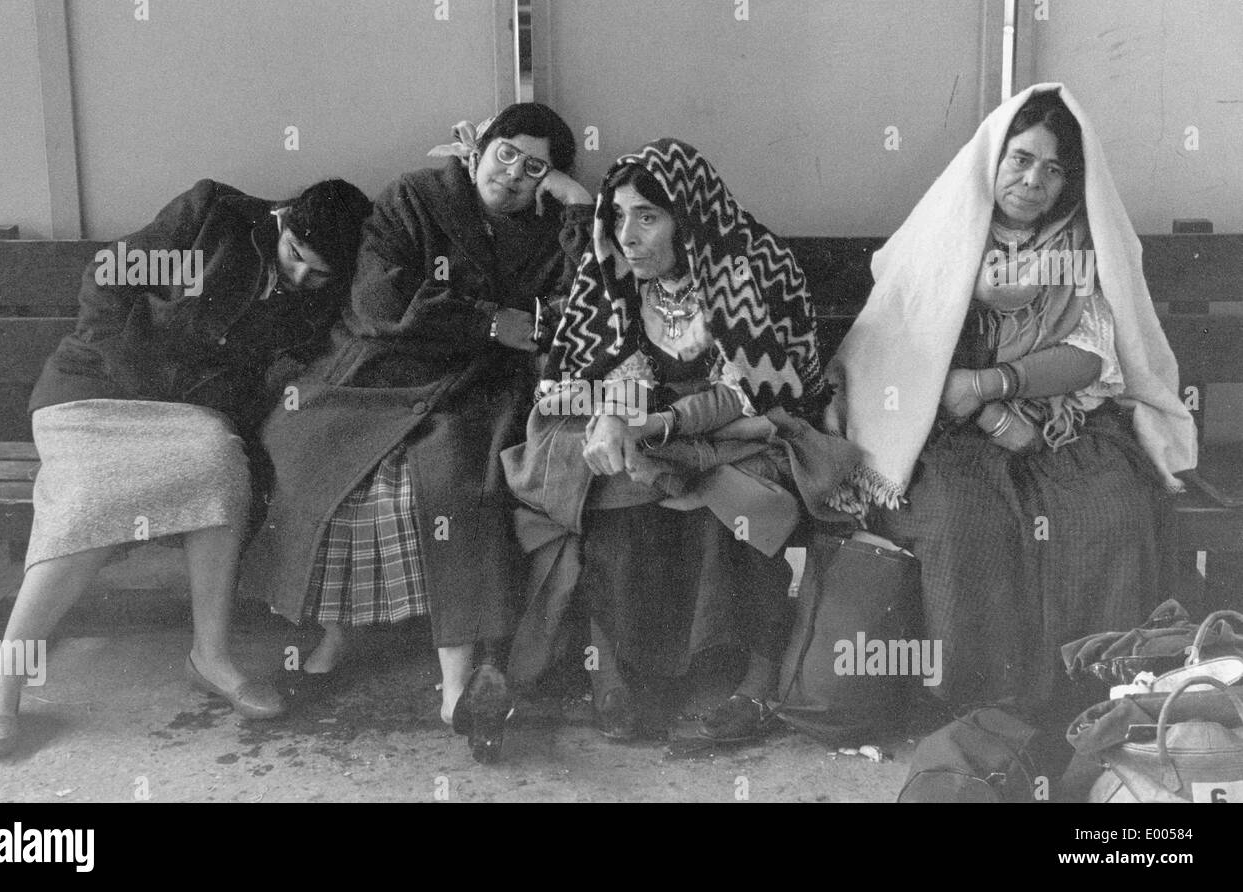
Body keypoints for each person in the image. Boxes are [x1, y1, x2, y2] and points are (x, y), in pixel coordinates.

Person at [827, 85, 1196, 722]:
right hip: (952, 430)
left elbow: (1092, 355)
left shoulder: (1082, 244)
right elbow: (901, 349)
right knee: (961, 519)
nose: (1032, 181)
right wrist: (976, 408)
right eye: (1020, 159)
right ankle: (977, 701)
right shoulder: (946, 233)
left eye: (1053, 170)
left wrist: (993, 387)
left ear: (1070, 183)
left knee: (1113, 509)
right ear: (993, 160)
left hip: (1064, 420)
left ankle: (1091, 696)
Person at [0, 177, 372, 757]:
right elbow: (105, 286)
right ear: (282, 223)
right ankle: (1, 682)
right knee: (89, 496)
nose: (303, 279)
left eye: (321, 274)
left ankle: (211, 657)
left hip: (194, 417)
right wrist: (153, 388)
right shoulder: (212, 219)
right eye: (295, 257)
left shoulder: (323, 296)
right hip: (94, 389)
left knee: (220, 467)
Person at [240, 103, 593, 763]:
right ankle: (335, 639)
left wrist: (576, 207)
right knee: (326, 471)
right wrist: (489, 321)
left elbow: (585, 301)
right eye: (506, 154)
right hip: (371, 375)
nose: (514, 175)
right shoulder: (415, 199)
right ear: (477, 150)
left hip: (472, 390)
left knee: (460, 487)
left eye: (536, 168)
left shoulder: (546, 229)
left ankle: (459, 688)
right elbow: (378, 305)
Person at [503, 139, 858, 743]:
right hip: (644, 421)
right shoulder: (611, 271)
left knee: (741, 502)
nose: (628, 234)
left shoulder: (753, 264)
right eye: (617, 215)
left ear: (687, 217)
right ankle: (618, 671)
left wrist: (654, 425)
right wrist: (621, 415)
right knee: (608, 485)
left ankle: (753, 675)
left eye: (648, 215)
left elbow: (755, 391)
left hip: (744, 428)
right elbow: (584, 369)